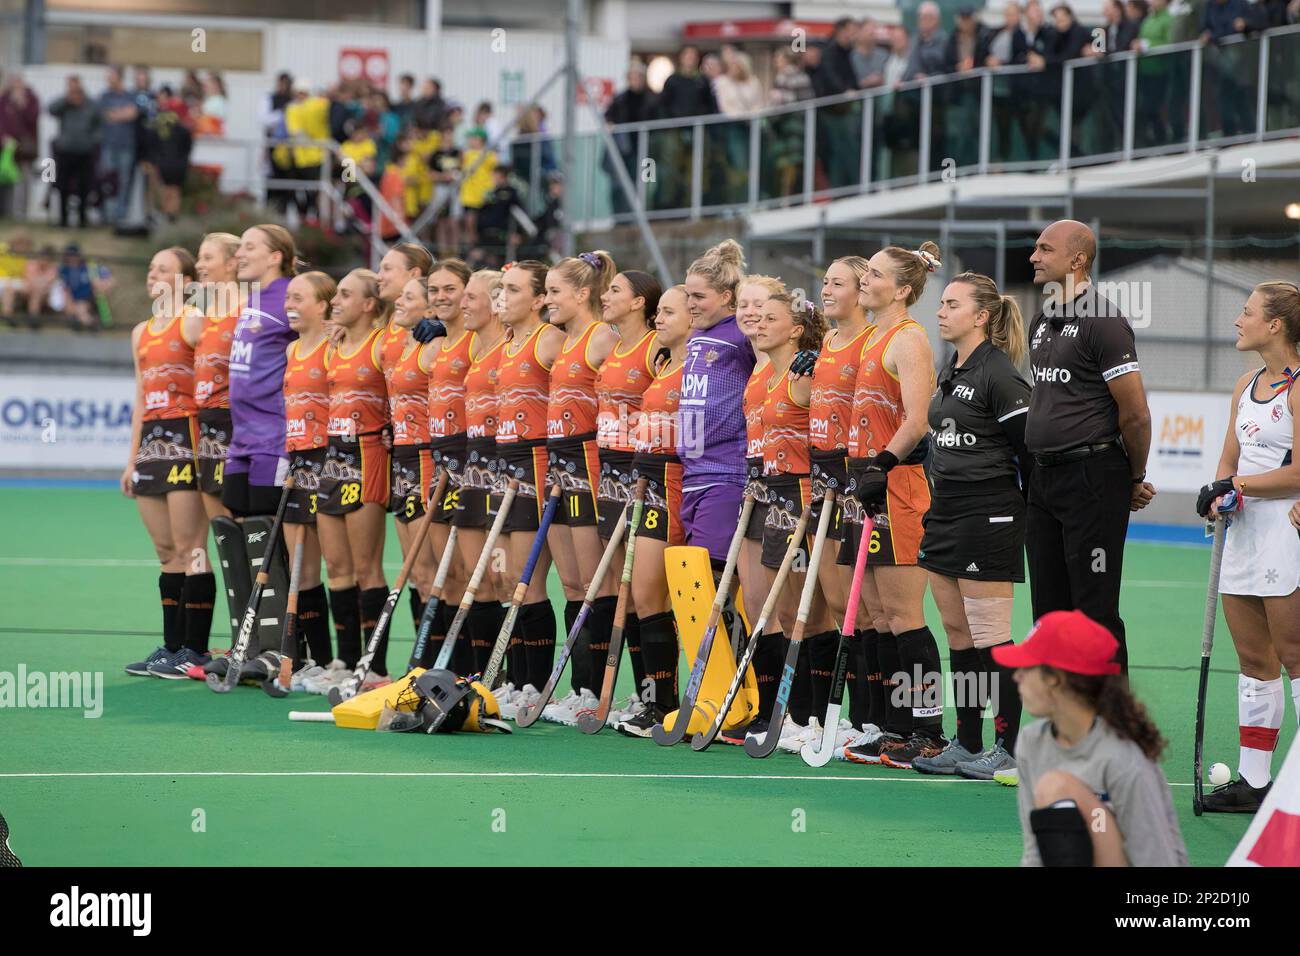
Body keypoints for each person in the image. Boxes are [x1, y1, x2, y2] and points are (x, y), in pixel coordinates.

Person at [911, 273, 1030, 781]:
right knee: (958, 633)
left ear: (981, 316)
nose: (941, 311)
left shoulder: (1000, 374)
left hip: (989, 512)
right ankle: (967, 740)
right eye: (941, 303)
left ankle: (1007, 747)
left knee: (990, 637)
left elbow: (1030, 449)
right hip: (946, 511)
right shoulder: (950, 367)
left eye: (952, 304)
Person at [1025, 220, 1153, 672]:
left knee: (1093, 612)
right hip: (1042, 482)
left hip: (1092, 480)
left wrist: (1133, 478)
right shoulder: (1041, 318)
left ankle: (1113, 733)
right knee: (1048, 614)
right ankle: (1064, 730)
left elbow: (1135, 414)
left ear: (1077, 259)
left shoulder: (1105, 320)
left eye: (1045, 249)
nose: (1033, 257)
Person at [1195, 282, 1300, 812]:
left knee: (1295, 656)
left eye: (1247, 312)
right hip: (1242, 536)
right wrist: (1220, 497)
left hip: (1287, 534)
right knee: (1255, 661)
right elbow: (1228, 461)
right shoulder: (1245, 384)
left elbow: (1298, 472)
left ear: (1275, 324)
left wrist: (1238, 489)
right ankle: (1254, 783)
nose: (1239, 320)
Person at [843, 244, 943, 768]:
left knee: (904, 613)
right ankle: (891, 726)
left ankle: (928, 730)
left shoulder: (908, 339)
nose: (866, 278)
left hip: (898, 484)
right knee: (877, 615)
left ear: (902, 289)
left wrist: (880, 463)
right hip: (868, 484)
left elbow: (918, 417)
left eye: (876, 274)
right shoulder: (871, 337)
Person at [1000, 610, 1188, 866]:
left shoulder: (1123, 759)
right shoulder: (1031, 742)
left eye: (1028, 667)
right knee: (1054, 788)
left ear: (1056, 679)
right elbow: (1035, 852)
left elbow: (1156, 860)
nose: (1017, 676)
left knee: (1056, 786)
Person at [121, 247, 215, 678]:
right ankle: (172, 646)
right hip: (152, 444)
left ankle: (195, 650)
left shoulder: (193, 320)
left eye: (164, 268)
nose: (153, 274)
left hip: (187, 437)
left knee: (191, 548)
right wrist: (131, 459)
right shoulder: (141, 331)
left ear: (186, 280)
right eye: (151, 267)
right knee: (165, 552)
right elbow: (141, 397)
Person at [753, 288, 836, 755]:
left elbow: (828, 432)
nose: (760, 324)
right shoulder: (768, 373)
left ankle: (816, 716)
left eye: (770, 318)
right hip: (775, 496)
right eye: (758, 317)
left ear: (797, 329)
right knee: (785, 613)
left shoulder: (804, 378)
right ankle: (796, 714)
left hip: (804, 499)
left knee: (811, 614)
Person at [542, 252, 623, 719]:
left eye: (555, 292)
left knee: (598, 582)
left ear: (583, 293)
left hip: (591, 463)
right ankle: (582, 687)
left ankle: (603, 690)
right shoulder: (565, 339)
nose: (548, 300)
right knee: (572, 582)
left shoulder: (600, 338)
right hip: (560, 464)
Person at [804, 256, 876, 755]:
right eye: (825, 282)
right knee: (833, 602)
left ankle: (874, 718)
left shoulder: (871, 341)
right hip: (820, 478)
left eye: (838, 283)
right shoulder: (826, 342)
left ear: (862, 291)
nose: (827, 290)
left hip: (857, 477)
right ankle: (845, 713)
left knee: (867, 609)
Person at [491, 261, 566, 715]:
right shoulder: (507, 340)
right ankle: (516, 678)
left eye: (513, 289)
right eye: (501, 288)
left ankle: (536, 683)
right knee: (503, 578)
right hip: (503, 462)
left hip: (536, 463)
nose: (504, 296)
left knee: (526, 580)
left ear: (539, 299)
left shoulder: (549, 339)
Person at [313, 270, 392, 691]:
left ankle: (374, 666)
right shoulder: (332, 346)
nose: (335, 301)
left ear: (368, 304)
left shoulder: (382, 344)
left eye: (345, 294)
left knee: (367, 569)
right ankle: (344, 661)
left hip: (367, 458)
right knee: (337, 568)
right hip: (331, 460)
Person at [618, 285, 690, 736]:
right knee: (645, 597)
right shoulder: (664, 365)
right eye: (658, 311)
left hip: (679, 489)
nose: (658, 319)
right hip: (650, 489)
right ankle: (657, 700)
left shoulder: (700, 370)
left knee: (672, 598)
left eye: (669, 312)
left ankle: (678, 701)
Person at [592, 269, 662, 720]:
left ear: (639, 302)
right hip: (607, 474)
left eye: (615, 290)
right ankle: (638, 693)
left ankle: (656, 694)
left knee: (643, 590)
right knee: (621, 590)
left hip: (641, 474)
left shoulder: (655, 347)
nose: (606, 296)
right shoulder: (610, 346)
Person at [276, 271, 336, 691]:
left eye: (299, 297)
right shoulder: (292, 349)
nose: (289, 304)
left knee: (337, 563)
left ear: (323, 304)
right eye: (287, 298)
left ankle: (338, 660)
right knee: (303, 569)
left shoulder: (335, 348)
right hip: (297, 460)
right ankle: (312, 657)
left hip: (330, 460)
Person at [679, 240, 754, 567]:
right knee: (692, 577)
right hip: (692, 471)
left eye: (699, 297)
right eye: (687, 296)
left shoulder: (741, 334)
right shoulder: (696, 336)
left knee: (711, 574)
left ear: (726, 297)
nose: (690, 305)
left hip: (725, 472)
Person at [450, 268, 509, 675]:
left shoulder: (509, 346)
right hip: (472, 463)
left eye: (472, 297)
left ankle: (514, 676)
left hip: (504, 464)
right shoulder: (473, 347)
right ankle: (483, 673)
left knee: (504, 579)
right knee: (476, 576)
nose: (462, 304)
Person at [422, 259, 476, 670]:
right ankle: (450, 671)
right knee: (448, 573)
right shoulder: (435, 345)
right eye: (434, 289)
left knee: (476, 574)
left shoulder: (475, 342)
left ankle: (484, 670)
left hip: (471, 460)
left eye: (449, 289)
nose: (440, 297)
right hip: (437, 460)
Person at [224, 225, 296, 519]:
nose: (240, 254)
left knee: (266, 535)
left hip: (273, 438)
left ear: (274, 257)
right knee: (235, 521)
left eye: (250, 247)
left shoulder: (290, 295)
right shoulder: (254, 298)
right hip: (241, 436)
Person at [193, 233, 243, 519]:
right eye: (199, 257)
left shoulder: (247, 309)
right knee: (222, 532)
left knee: (241, 525)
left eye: (207, 257)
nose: (200, 264)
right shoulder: (206, 312)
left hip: (236, 423)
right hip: (208, 424)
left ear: (231, 264)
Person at [48, 76, 101, 228]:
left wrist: (92, 141)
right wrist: (66, 100)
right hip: (65, 151)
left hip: (85, 152)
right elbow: (50, 109)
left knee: (84, 187)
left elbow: (99, 124)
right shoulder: (64, 105)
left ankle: (82, 219)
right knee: (62, 186)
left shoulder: (91, 105)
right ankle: (63, 219)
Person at [98, 67, 139, 224]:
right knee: (107, 182)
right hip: (108, 145)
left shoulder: (130, 96)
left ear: (119, 77)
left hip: (126, 145)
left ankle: (120, 216)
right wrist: (121, 114)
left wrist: (116, 114)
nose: (108, 79)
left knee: (124, 182)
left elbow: (132, 114)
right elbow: (105, 114)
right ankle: (106, 215)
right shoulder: (104, 96)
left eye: (111, 76)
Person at [0, 73, 39, 220]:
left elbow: (33, 120)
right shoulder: (4, 100)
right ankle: (6, 211)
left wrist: (22, 105)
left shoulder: (31, 99)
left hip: (24, 149)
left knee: (24, 181)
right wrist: (3, 137)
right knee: (7, 180)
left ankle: (21, 213)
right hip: (7, 149)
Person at [55, 243, 113, 332]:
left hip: (89, 297)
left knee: (99, 292)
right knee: (79, 309)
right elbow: (64, 289)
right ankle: (89, 323)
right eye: (69, 256)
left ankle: (105, 319)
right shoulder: (64, 270)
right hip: (74, 299)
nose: (72, 259)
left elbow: (108, 278)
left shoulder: (88, 267)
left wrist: (104, 284)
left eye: (74, 256)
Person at [903, 2, 950, 80]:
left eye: (925, 17)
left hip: (936, 89)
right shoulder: (915, 40)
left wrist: (928, 78)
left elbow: (947, 71)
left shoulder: (945, 41)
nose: (921, 20)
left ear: (936, 20)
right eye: (919, 16)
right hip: (913, 88)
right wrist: (901, 80)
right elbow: (910, 67)